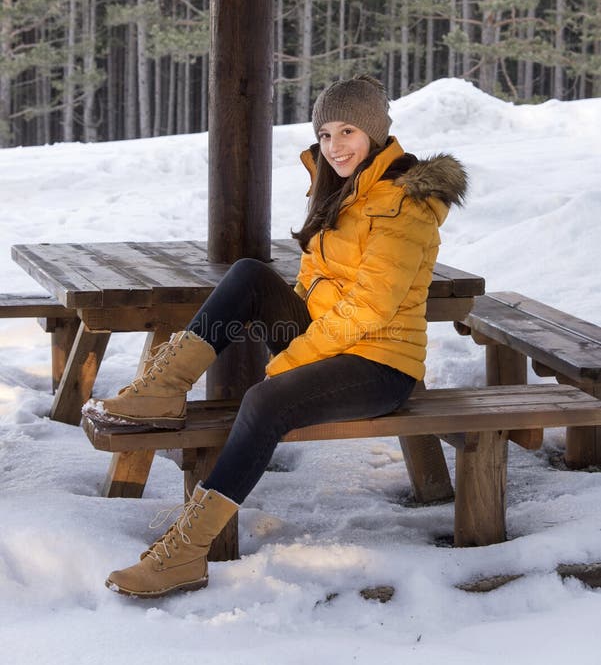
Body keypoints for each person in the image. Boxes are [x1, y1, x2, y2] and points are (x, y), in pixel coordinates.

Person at [84, 75, 467, 599]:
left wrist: (295, 358)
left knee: (265, 401)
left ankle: (187, 552)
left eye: (348, 131)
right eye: (326, 133)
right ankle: (163, 391)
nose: (334, 147)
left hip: (380, 365)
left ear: (376, 134)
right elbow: (319, 287)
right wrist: (296, 335)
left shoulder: (403, 204)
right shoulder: (343, 190)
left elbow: (371, 308)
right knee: (248, 274)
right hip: (332, 342)